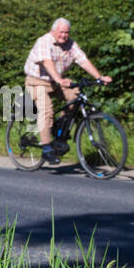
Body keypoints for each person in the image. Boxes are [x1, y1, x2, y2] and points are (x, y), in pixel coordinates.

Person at [24, 18, 111, 164]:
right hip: (36, 82)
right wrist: (59, 79)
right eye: (61, 32)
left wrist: (99, 77)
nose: (64, 35)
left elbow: (82, 60)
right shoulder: (44, 41)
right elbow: (47, 62)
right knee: (47, 110)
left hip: (55, 82)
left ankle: (60, 130)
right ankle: (46, 149)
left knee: (76, 95)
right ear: (53, 31)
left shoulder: (71, 44)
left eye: (66, 32)